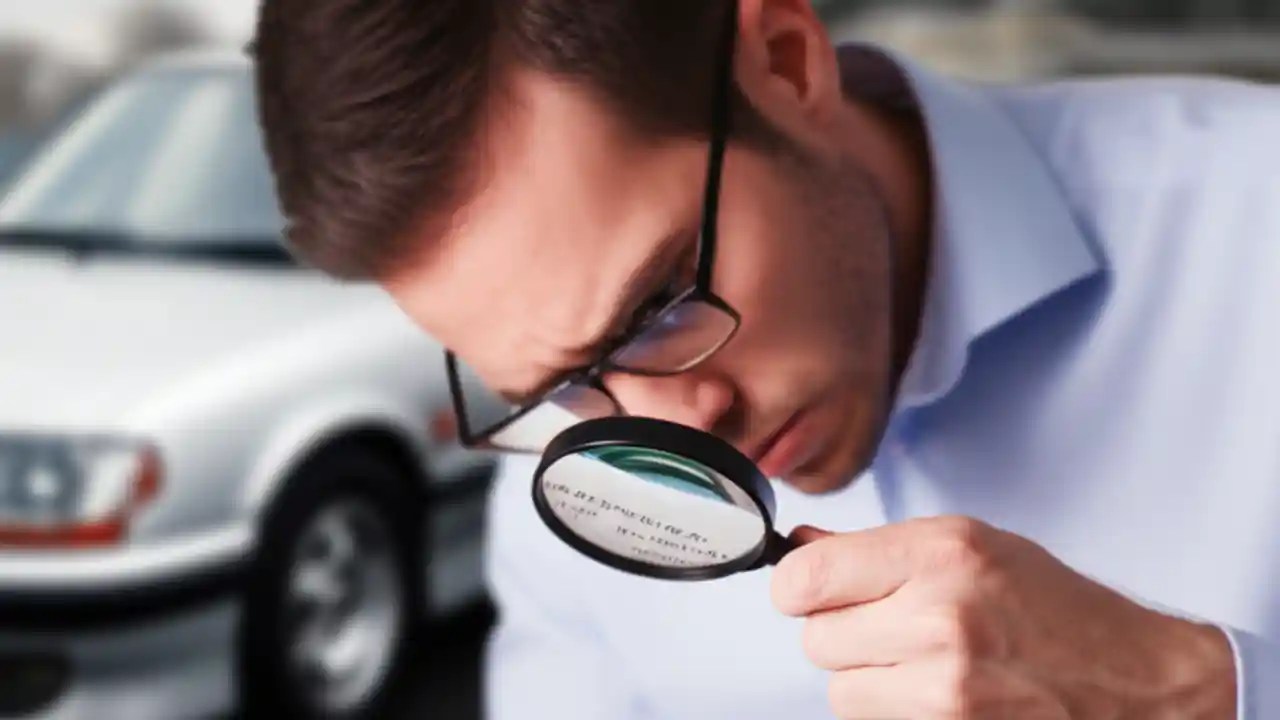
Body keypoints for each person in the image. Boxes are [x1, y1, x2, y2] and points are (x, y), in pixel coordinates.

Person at [250, 1, 1280, 717]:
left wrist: (1199, 694)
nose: (677, 437)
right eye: (560, 389)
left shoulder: (1255, 222)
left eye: (656, 307)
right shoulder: (568, 510)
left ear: (787, 58)